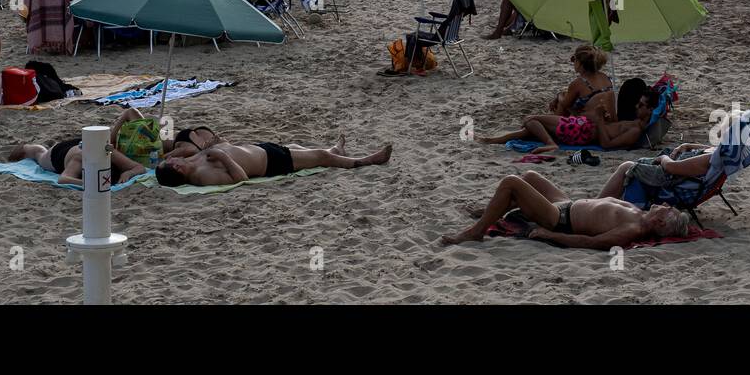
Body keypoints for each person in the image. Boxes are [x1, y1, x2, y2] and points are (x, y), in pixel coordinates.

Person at [441, 171, 688, 247]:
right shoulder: (639, 213)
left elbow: (593, 242)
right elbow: (602, 203)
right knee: (529, 176)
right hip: (568, 202)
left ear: (661, 224)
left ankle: (477, 230)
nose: (665, 205)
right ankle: (490, 211)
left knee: (511, 182)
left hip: (558, 218)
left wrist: (551, 235)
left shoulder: (633, 229)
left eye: (667, 210)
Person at [478, 81, 659, 155]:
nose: (637, 106)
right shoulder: (633, 123)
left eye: (642, 105)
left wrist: (599, 120)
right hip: (583, 127)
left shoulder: (635, 131)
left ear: (651, 109)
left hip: (581, 131)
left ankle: (551, 144)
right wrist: (602, 117)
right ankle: (490, 140)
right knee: (529, 130)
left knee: (531, 120)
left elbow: (606, 145)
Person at [155, 136, 393, 186]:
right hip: (271, 163)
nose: (176, 161)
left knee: (299, 146)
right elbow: (240, 178)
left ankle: (334, 148)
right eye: (173, 165)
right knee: (321, 158)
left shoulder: (191, 161)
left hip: (261, 149)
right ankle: (365, 161)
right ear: (178, 171)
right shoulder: (201, 176)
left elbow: (179, 151)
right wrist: (222, 155)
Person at [8, 136, 148, 187]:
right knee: (40, 154)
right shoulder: (82, 159)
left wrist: (128, 173)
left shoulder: (108, 152)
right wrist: (87, 183)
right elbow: (63, 178)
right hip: (58, 154)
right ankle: (25, 147)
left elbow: (139, 167)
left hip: (82, 144)